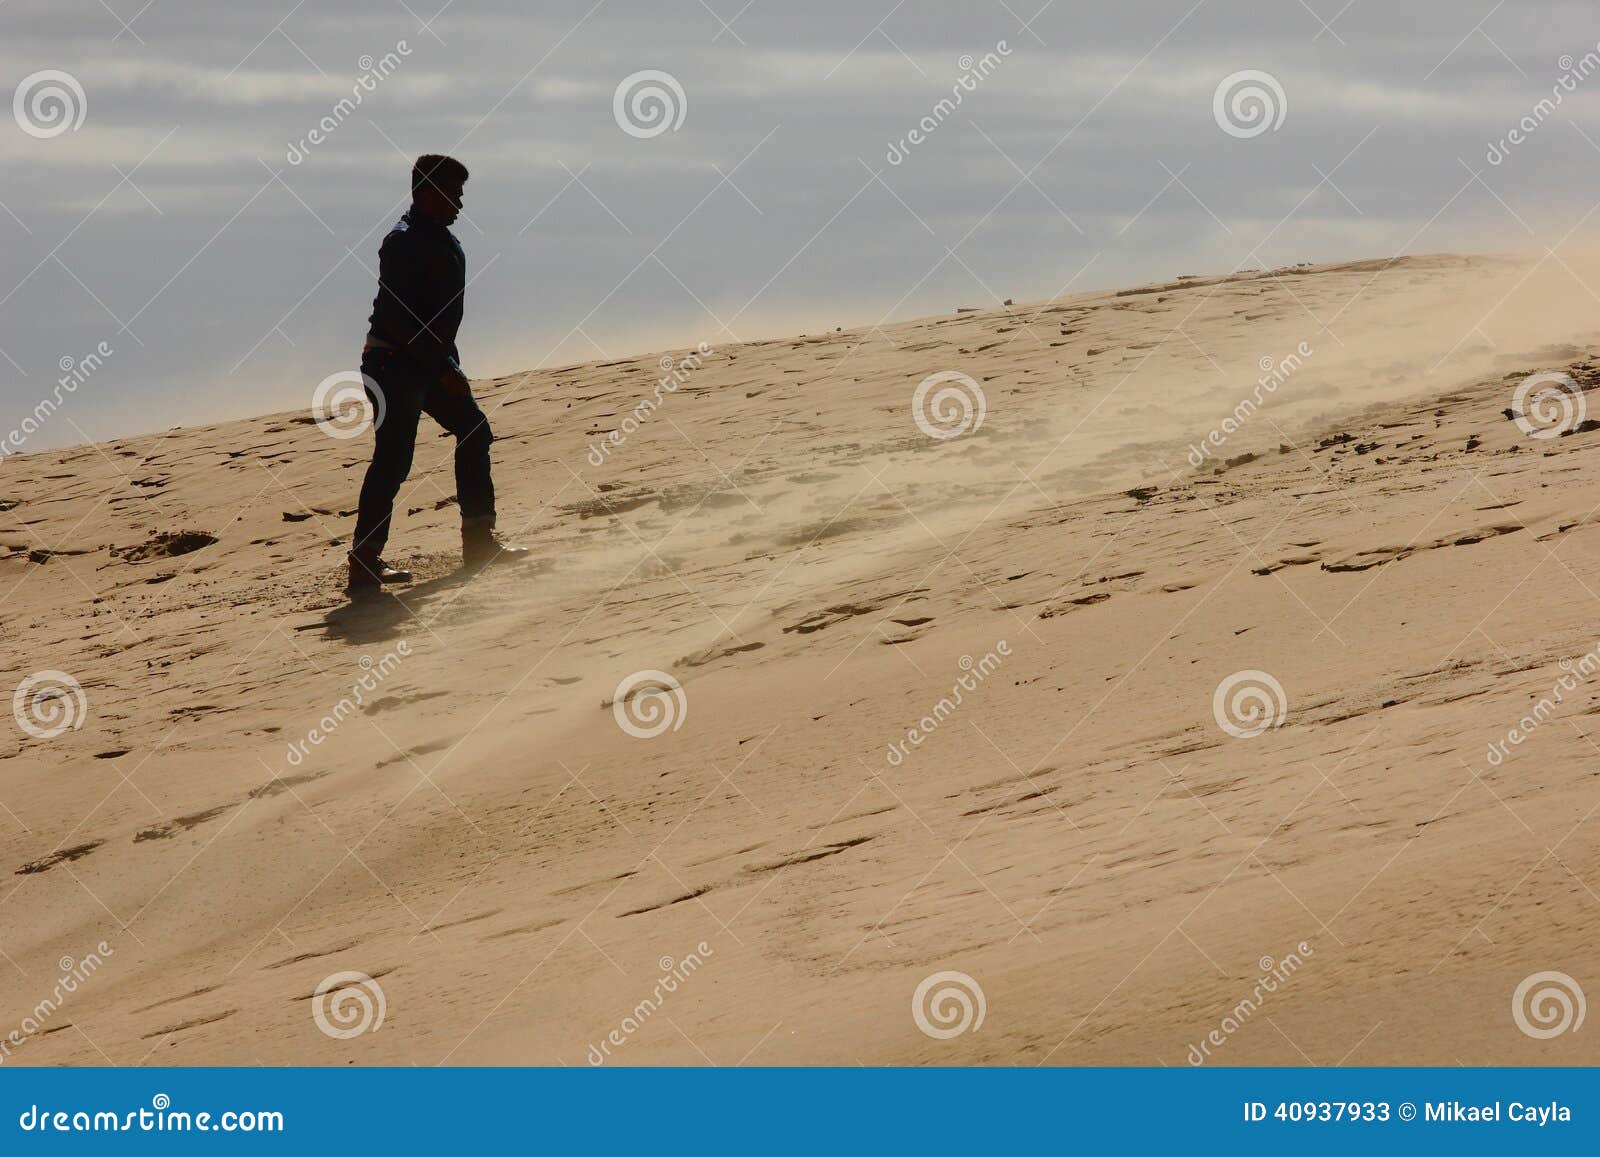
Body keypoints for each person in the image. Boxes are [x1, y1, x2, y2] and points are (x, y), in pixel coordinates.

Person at [347, 153, 527, 593]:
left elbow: (442, 320)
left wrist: (448, 364)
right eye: (453, 194)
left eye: (461, 194)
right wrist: (442, 366)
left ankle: (479, 543)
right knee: (394, 458)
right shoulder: (402, 242)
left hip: (428, 365)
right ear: (427, 194)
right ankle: (365, 562)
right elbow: (399, 319)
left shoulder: (443, 240)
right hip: (392, 364)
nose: (460, 205)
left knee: (474, 431)